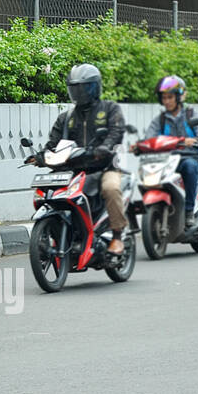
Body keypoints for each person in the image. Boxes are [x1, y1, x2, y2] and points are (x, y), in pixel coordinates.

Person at [46, 64, 128, 254]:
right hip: (73, 170)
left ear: (95, 87)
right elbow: (53, 143)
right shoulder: (66, 118)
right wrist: (41, 156)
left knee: (111, 188)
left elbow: (116, 132)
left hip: (105, 167)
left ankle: (117, 236)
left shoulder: (109, 109)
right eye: (75, 88)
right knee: (53, 193)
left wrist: (104, 148)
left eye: (84, 87)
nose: (79, 93)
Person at [141, 75, 198, 223]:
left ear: (179, 97)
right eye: (164, 98)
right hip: (166, 160)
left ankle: (189, 210)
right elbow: (149, 138)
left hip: (189, 158)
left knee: (190, 167)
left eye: (170, 97)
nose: (167, 101)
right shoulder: (160, 120)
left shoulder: (192, 115)